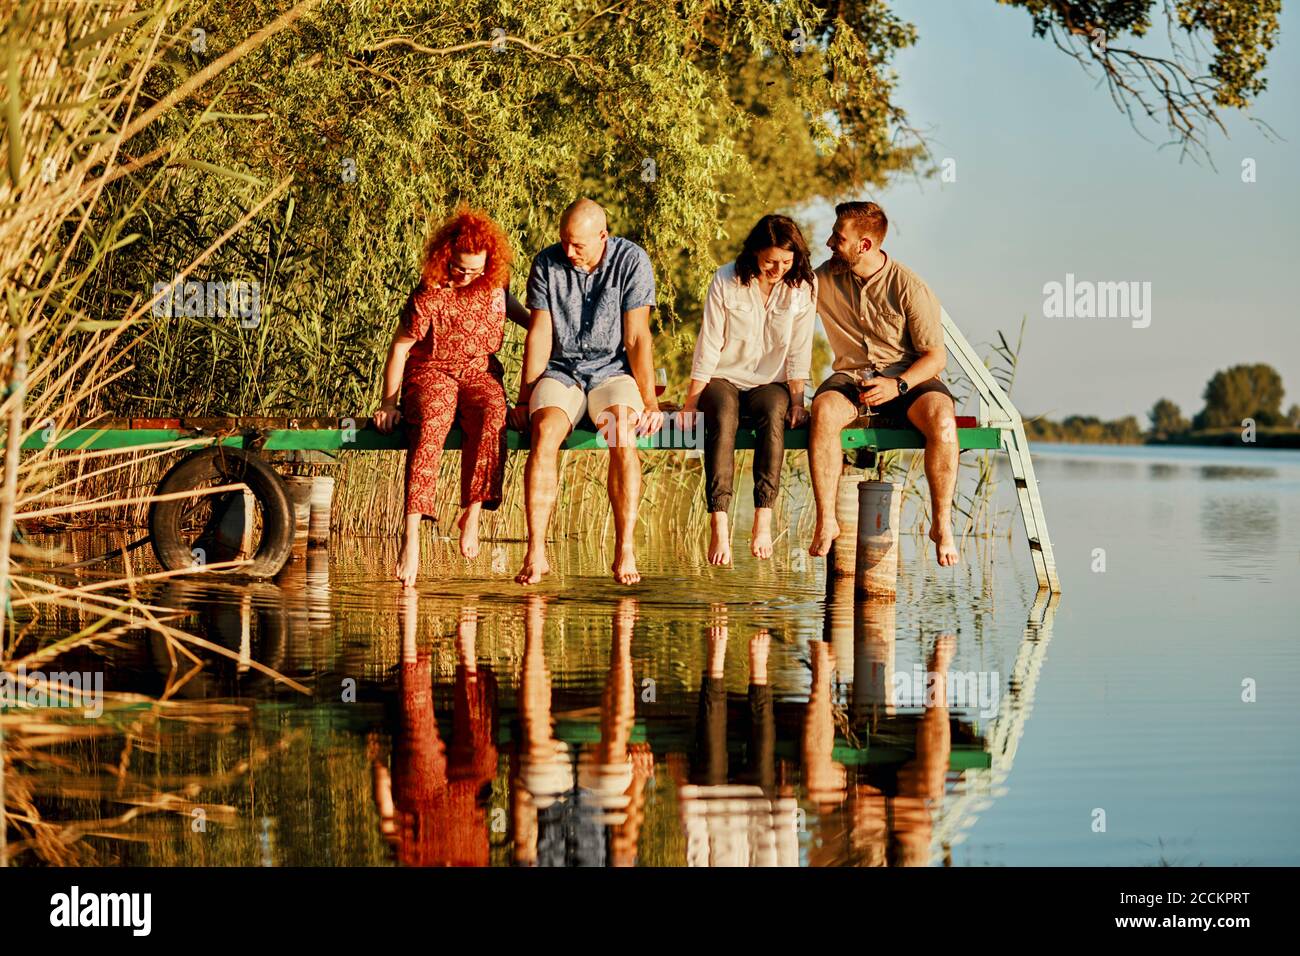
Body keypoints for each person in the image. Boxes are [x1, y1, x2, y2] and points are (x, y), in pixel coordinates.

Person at [507, 198, 663, 585]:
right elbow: (540, 332)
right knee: (544, 433)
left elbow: (637, 336)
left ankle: (625, 546)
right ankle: (536, 550)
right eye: (564, 242)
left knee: (622, 432)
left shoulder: (632, 261)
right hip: (561, 371)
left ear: (603, 237)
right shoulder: (546, 262)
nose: (569, 251)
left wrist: (650, 401)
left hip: (612, 373)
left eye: (578, 244)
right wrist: (526, 397)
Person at [374, 207, 529, 588]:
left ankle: (472, 512)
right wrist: (389, 404)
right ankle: (411, 535)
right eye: (460, 268)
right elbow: (399, 350)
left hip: (478, 371)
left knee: (494, 411)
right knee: (431, 420)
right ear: (447, 257)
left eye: (476, 270)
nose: (467, 276)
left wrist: (546, 326)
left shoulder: (494, 284)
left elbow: (521, 315)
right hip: (431, 371)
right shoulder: (429, 294)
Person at [808, 201, 959, 567]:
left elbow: (935, 357)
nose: (829, 242)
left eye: (838, 237)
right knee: (824, 410)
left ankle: (941, 523)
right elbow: (777, 294)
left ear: (864, 245)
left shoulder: (909, 286)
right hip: (852, 375)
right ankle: (827, 520)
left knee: (942, 418)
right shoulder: (822, 279)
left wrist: (898, 386)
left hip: (906, 380)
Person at [681, 214, 816, 565]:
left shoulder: (803, 287)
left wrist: (798, 402)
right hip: (723, 378)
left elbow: (800, 349)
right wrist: (692, 400)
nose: (778, 268)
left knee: (774, 412)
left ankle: (763, 519)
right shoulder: (726, 279)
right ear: (756, 252)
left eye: (786, 262)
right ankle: (719, 524)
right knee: (724, 417)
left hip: (768, 384)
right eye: (771, 261)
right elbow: (709, 343)